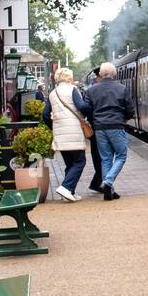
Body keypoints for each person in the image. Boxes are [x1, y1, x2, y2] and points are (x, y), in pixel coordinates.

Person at [85, 62, 134, 200]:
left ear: (100, 74)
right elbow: (130, 109)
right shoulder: (122, 88)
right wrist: (125, 119)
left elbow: (87, 109)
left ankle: (109, 192)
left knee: (105, 159)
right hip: (116, 125)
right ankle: (107, 182)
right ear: (114, 74)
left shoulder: (91, 90)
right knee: (121, 155)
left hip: (99, 128)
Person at [43, 67, 92, 202]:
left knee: (70, 164)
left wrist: (54, 127)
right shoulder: (72, 90)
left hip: (60, 133)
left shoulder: (53, 93)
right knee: (80, 161)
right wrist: (90, 108)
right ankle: (65, 187)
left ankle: (70, 192)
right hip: (74, 131)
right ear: (69, 78)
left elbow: (45, 115)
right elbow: (81, 107)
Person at [83, 66, 104, 192]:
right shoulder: (92, 90)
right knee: (100, 156)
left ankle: (96, 182)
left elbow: (87, 108)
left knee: (99, 156)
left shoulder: (91, 90)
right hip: (98, 127)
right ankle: (98, 182)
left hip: (96, 126)